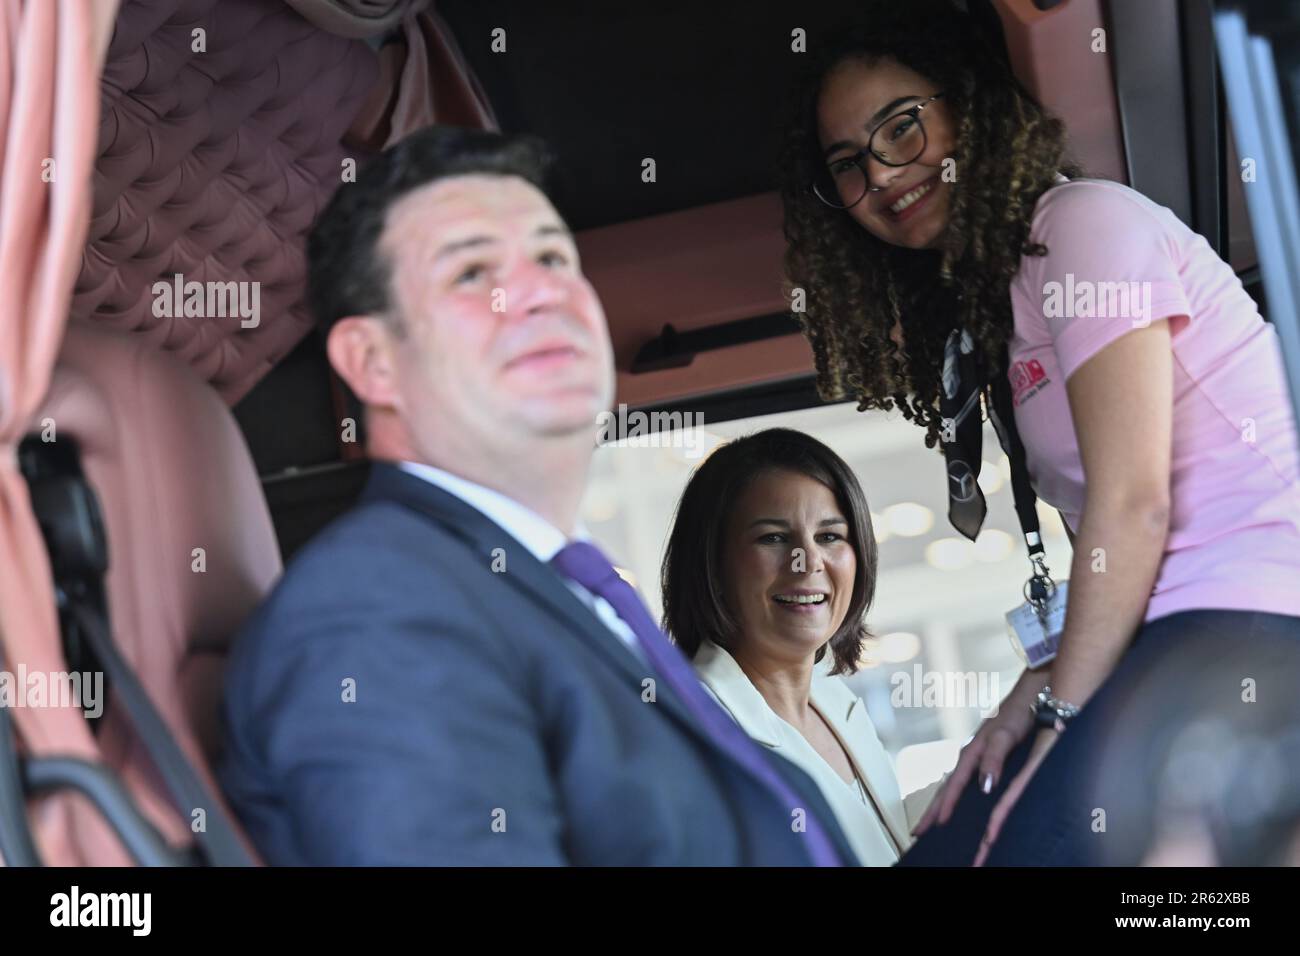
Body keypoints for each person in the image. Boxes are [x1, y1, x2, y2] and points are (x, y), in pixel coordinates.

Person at [219, 125, 859, 866]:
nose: (540, 291)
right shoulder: (375, 606)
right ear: (373, 362)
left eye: (554, 256)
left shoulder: (547, 587)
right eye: (471, 274)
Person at [778, 1, 1300, 865]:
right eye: (848, 163)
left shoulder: (1080, 226)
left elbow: (1132, 509)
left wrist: (1062, 717)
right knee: (952, 843)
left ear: (969, 110)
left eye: (902, 128)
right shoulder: (1008, 299)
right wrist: (1032, 691)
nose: (881, 175)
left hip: (1250, 611)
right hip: (1166, 625)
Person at [661, 427, 942, 865]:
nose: (807, 561)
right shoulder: (698, 735)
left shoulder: (834, 699)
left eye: (829, 536)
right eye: (773, 537)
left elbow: (875, 837)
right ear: (712, 564)